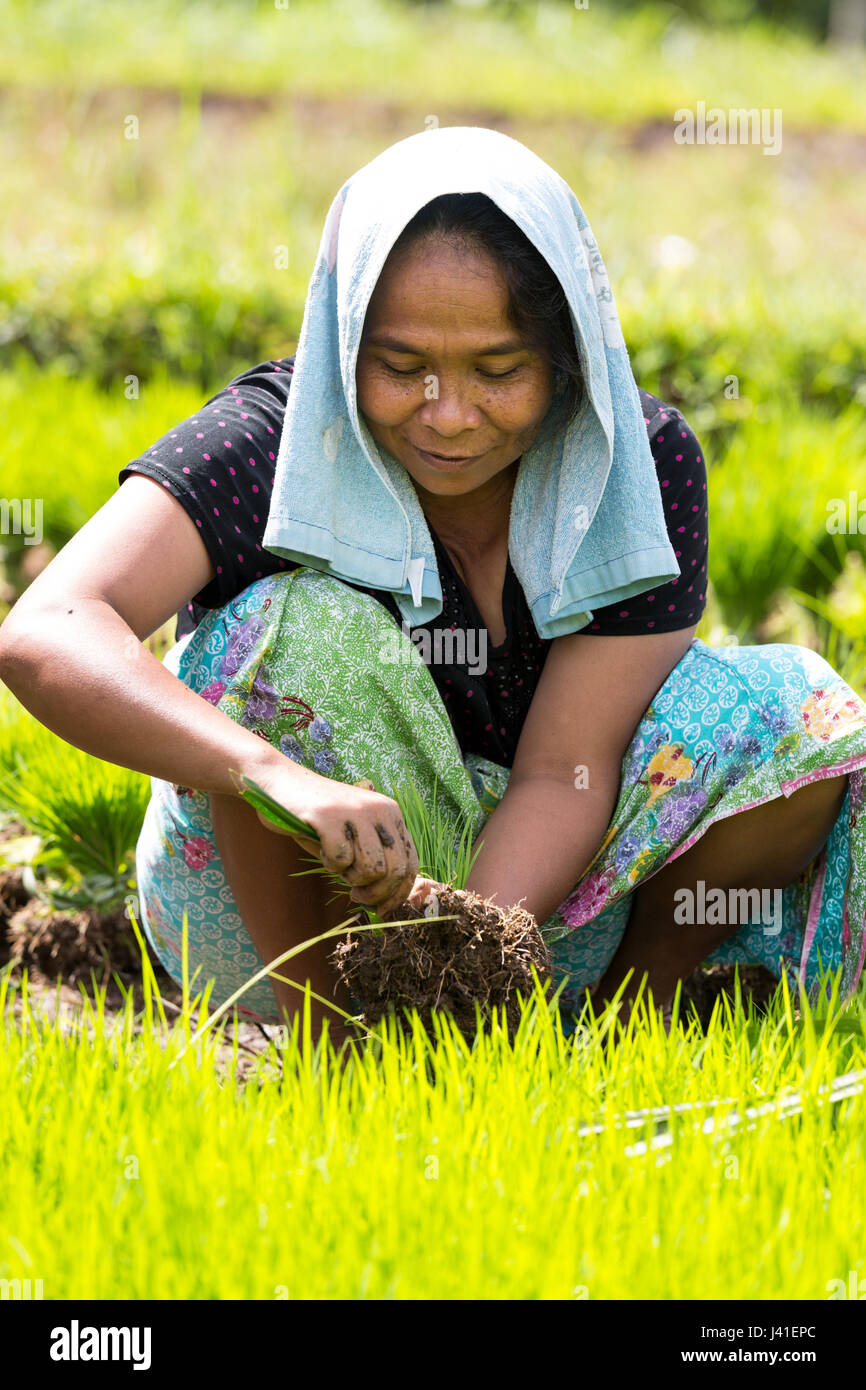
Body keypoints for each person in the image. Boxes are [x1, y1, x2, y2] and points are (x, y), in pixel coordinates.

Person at [2, 126, 865, 1042]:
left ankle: (617, 1028)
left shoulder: (634, 467)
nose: (449, 417)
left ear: (566, 358)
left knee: (794, 704)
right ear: (345, 343)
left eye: (500, 371)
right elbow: (46, 630)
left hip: (550, 905)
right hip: (271, 912)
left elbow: (559, 774)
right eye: (400, 367)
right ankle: (335, 1055)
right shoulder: (272, 442)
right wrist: (271, 776)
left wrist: (466, 946)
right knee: (287, 624)